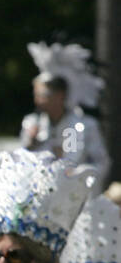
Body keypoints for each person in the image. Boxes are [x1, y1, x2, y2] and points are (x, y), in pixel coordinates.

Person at [21, 43, 111, 192]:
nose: (38, 101)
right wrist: (30, 144)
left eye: (44, 96)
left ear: (60, 96)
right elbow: (20, 163)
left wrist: (80, 178)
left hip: (75, 198)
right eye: (36, 96)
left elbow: (100, 162)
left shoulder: (82, 126)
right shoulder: (32, 123)